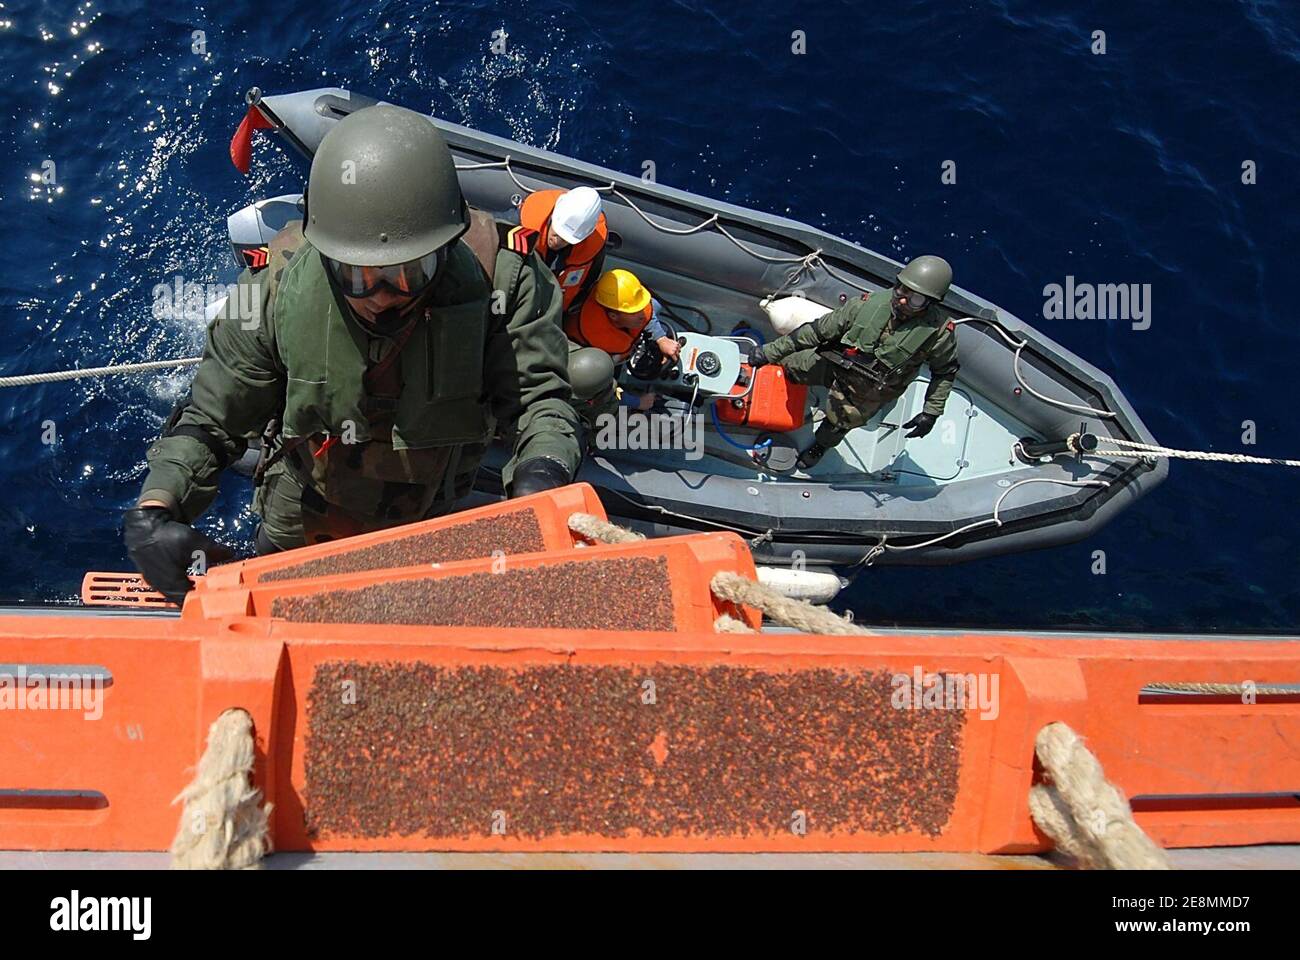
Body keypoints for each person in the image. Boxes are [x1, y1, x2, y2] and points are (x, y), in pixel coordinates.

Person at [124, 104, 580, 604]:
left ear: (446, 250)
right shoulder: (274, 294)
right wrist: (158, 506)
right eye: (357, 276)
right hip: (303, 507)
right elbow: (213, 417)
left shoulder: (504, 281)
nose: (382, 294)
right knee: (274, 595)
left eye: (410, 272)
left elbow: (540, 399)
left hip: (431, 511)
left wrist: (543, 472)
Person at [751, 255, 959, 470]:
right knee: (792, 365)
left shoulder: (939, 334)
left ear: (930, 303)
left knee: (837, 425)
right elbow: (816, 331)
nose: (903, 300)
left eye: (916, 299)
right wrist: (769, 352)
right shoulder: (864, 306)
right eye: (902, 290)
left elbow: (945, 371)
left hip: (868, 390)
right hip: (836, 363)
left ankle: (820, 446)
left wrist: (930, 413)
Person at [516, 186, 608, 314]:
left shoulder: (593, 250)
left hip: (552, 314)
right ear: (554, 215)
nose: (557, 241)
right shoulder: (521, 222)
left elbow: (587, 284)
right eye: (556, 233)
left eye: (566, 239)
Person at [564, 268, 680, 363]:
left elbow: (649, 309)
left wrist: (661, 338)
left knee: (655, 305)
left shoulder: (618, 300)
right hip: (599, 357)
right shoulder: (595, 336)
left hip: (628, 342)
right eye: (634, 312)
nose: (642, 314)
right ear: (614, 316)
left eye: (641, 307)